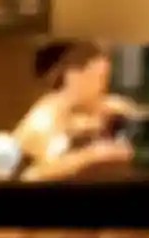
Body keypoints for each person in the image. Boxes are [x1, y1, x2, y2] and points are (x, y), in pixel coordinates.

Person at [12, 40, 136, 181]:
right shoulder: (44, 120)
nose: (103, 87)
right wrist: (93, 155)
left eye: (105, 78)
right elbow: (35, 174)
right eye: (99, 78)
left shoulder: (112, 108)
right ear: (73, 76)